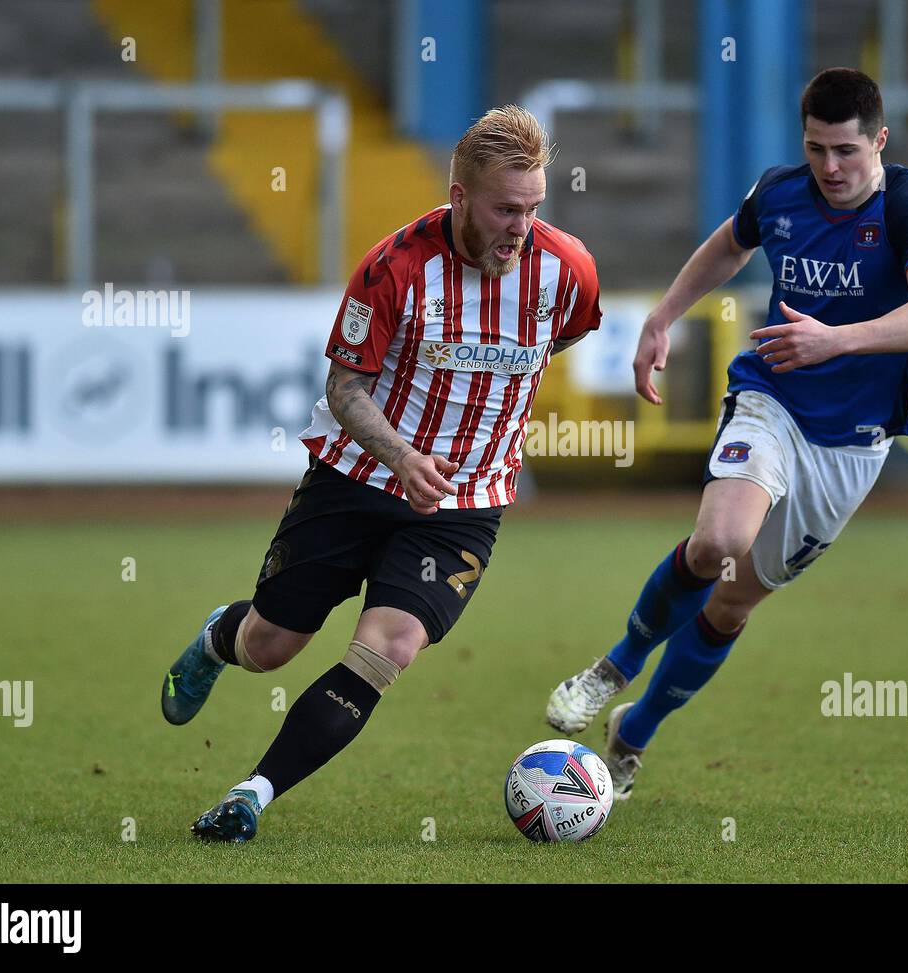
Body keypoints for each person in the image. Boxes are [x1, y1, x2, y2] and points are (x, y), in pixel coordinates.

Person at [161, 105, 602, 841]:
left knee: (386, 648)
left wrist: (477, 428)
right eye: (503, 208)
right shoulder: (395, 266)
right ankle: (217, 639)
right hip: (354, 479)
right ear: (459, 196)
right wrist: (403, 453)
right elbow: (344, 388)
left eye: (532, 208)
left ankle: (252, 794)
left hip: (464, 503)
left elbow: (560, 338)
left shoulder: (568, 271)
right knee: (271, 644)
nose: (519, 227)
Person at [545, 67, 908, 799]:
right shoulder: (781, 190)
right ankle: (613, 666)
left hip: (853, 441)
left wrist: (836, 339)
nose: (829, 168)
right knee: (718, 542)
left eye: (846, 152)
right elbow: (729, 245)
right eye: (816, 149)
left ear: (880, 142)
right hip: (769, 396)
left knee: (732, 602)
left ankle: (633, 733)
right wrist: (661, 316)